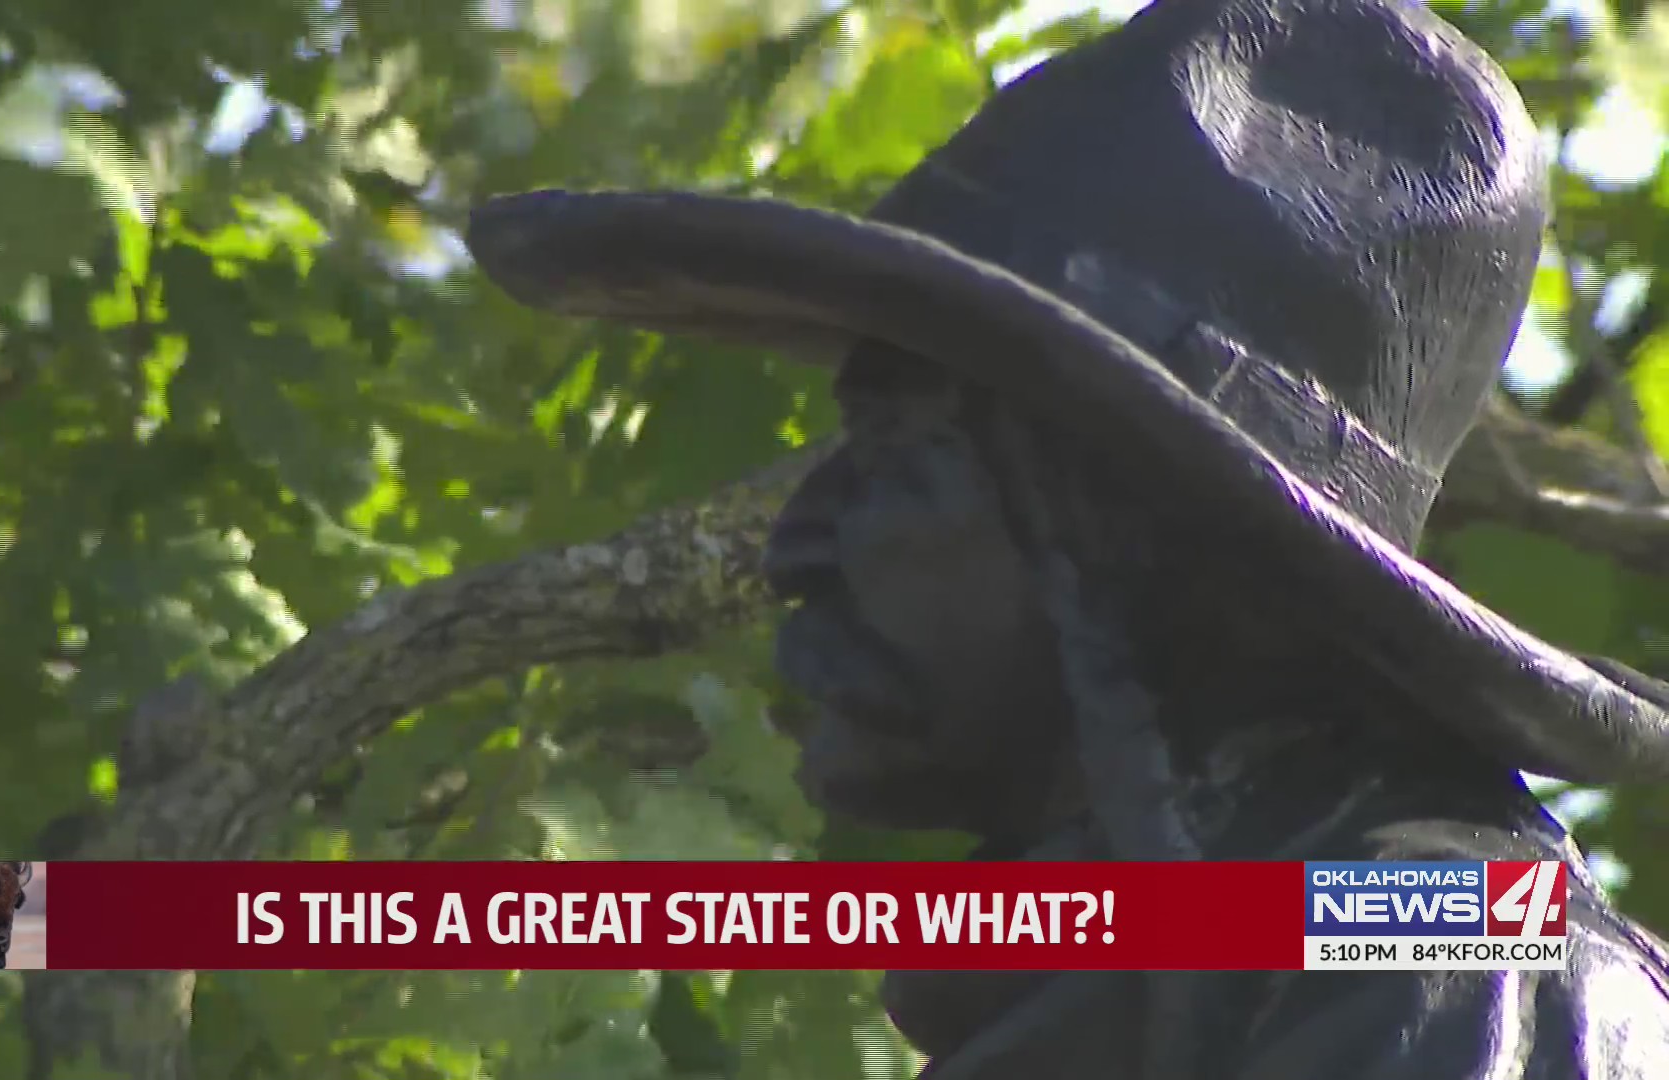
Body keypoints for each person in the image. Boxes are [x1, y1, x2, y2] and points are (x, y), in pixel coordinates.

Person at [463, 0, 1669, 1074]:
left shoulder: (1456, 978)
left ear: (1139, 521)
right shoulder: (1182, 962)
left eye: (902, 459)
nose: (799, 547)